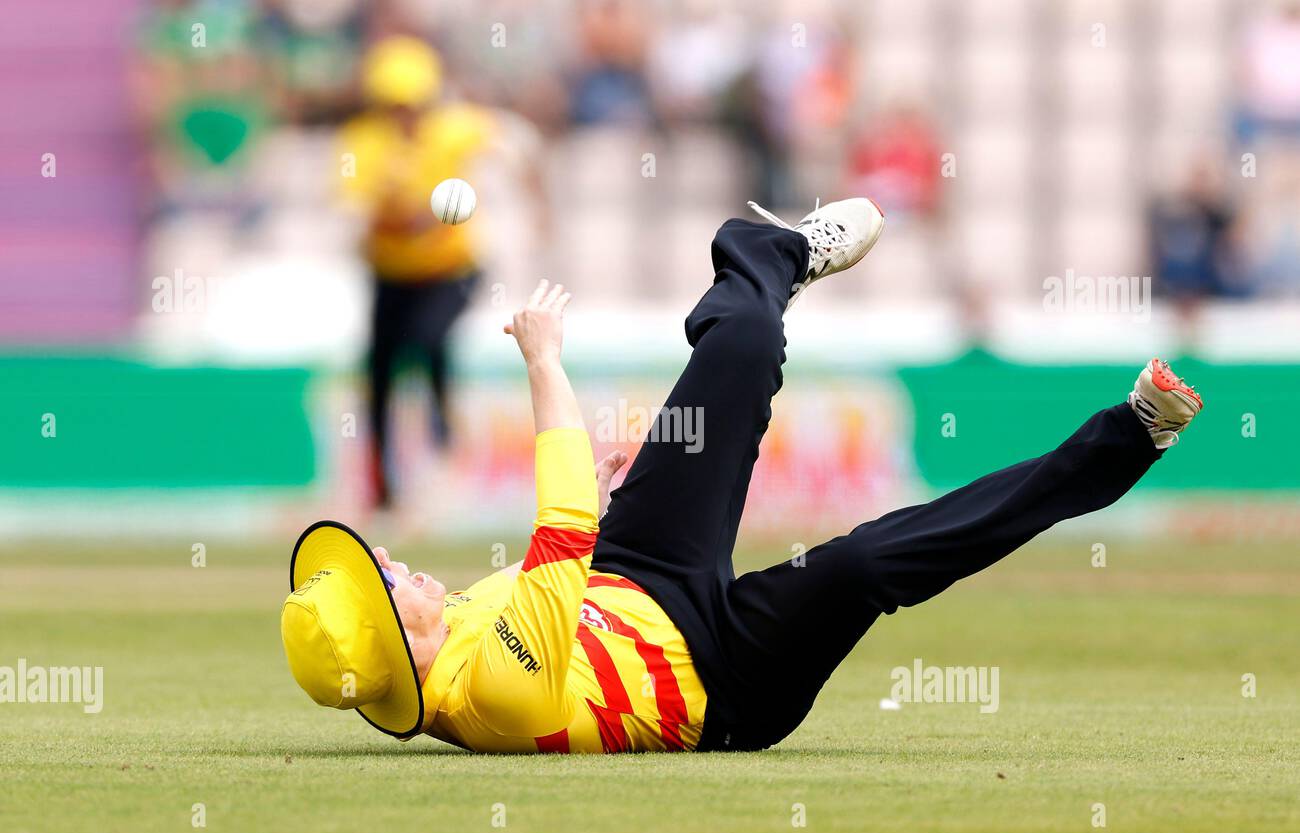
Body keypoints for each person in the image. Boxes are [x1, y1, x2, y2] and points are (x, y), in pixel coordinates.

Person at [280, 197, 1204, 753]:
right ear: (394, 635)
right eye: (388, 578)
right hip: (724, 681)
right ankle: (1127, 439)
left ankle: (775, 252)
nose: (399, 563)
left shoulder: (457, 638)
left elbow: (569, 554)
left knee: (749, 339)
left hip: (637, 571)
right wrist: (542, 361)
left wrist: (607, 506)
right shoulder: (491, 694)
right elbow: (554, 523)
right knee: (868, 563)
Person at [338, 36, 495, 507]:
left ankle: (443, 433)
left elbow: (509, 141)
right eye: (396, 105)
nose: (406, 115)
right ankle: (383, 485)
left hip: (451, 271)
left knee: (429, 341)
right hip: (391, 278)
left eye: (414, 104)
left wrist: (535, 195)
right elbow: (358, 214)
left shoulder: (455, 128)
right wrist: (405, 221)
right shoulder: (361, 143)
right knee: (380, 375)